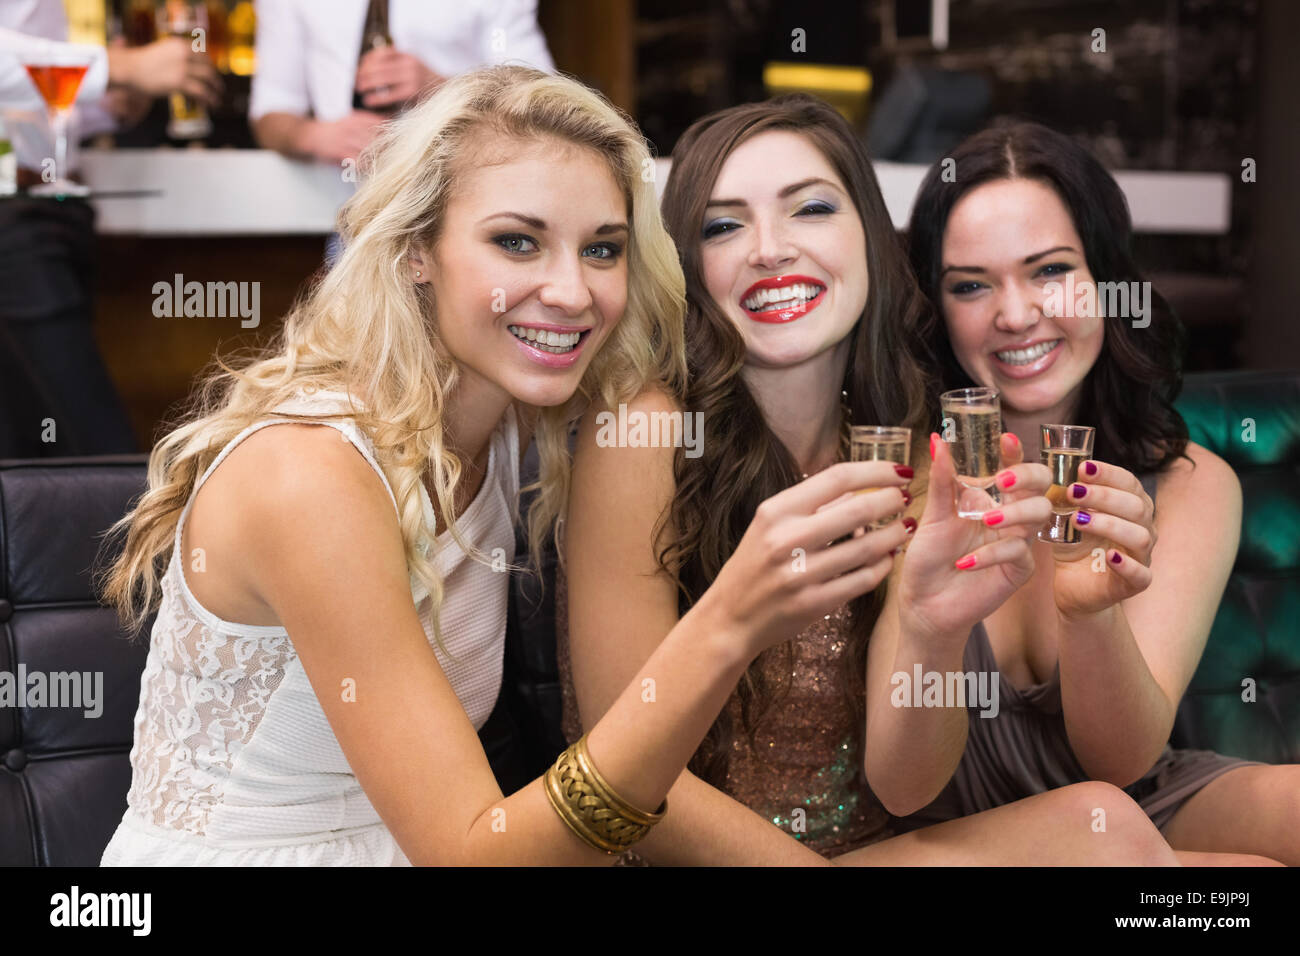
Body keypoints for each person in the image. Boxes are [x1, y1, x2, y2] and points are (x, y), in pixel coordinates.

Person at [96, 66, 919, 866]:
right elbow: (470, 853)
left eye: (602, 249)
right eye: (517, 243)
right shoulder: (310, 472)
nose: (571, 291)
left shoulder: (514, 430)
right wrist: (730, 623)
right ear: (418, 248)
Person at [558, 95, 1182, 866]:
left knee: (1119, 830)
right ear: (687, 265)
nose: (769, 250)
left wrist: (931, 627)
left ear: (870, 240)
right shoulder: (646, 431)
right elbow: (625, 779)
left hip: (862, 850)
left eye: (810, 210)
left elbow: (906, 788)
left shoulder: (912, 451)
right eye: (723, 226)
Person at [870, 119, 1294, 865]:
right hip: (966, 829)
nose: (1016, 314)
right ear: (938, 312)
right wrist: (930, 629)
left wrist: (1089, 613)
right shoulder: (913, 480)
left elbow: (1122, 763)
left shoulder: (1192, 484)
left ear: (1106, 279)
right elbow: (901, 789)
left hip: (1132, 800)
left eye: (1050, 270)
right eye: (971, 285)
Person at [0, 0, 221, 456]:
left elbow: (25, 112)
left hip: (47, 210)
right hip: (12, 218)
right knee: (101, 455)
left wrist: (106, 108)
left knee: (33, 455)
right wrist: (122, 65)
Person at [250, 0, 554, 164]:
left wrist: (441, 88)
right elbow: (273, 106)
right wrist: (313, 135)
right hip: (350, 215)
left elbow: (543, 100)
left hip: (461, 197)